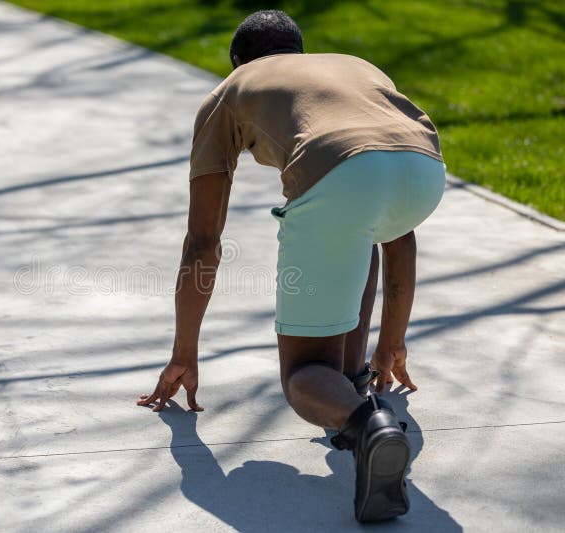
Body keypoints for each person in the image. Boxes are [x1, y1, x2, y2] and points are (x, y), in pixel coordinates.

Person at [136, 9, 446, 522]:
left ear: (238, 62)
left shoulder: (231, 90)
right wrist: (393, 341)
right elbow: (396, 235)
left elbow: (203, 242)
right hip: (425, 167)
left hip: (341, 173)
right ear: (299, 52)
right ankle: (358, 383)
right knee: (363, 227)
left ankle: (368, 424)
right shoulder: (354, 68)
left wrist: (184, 352)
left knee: (304, 373)